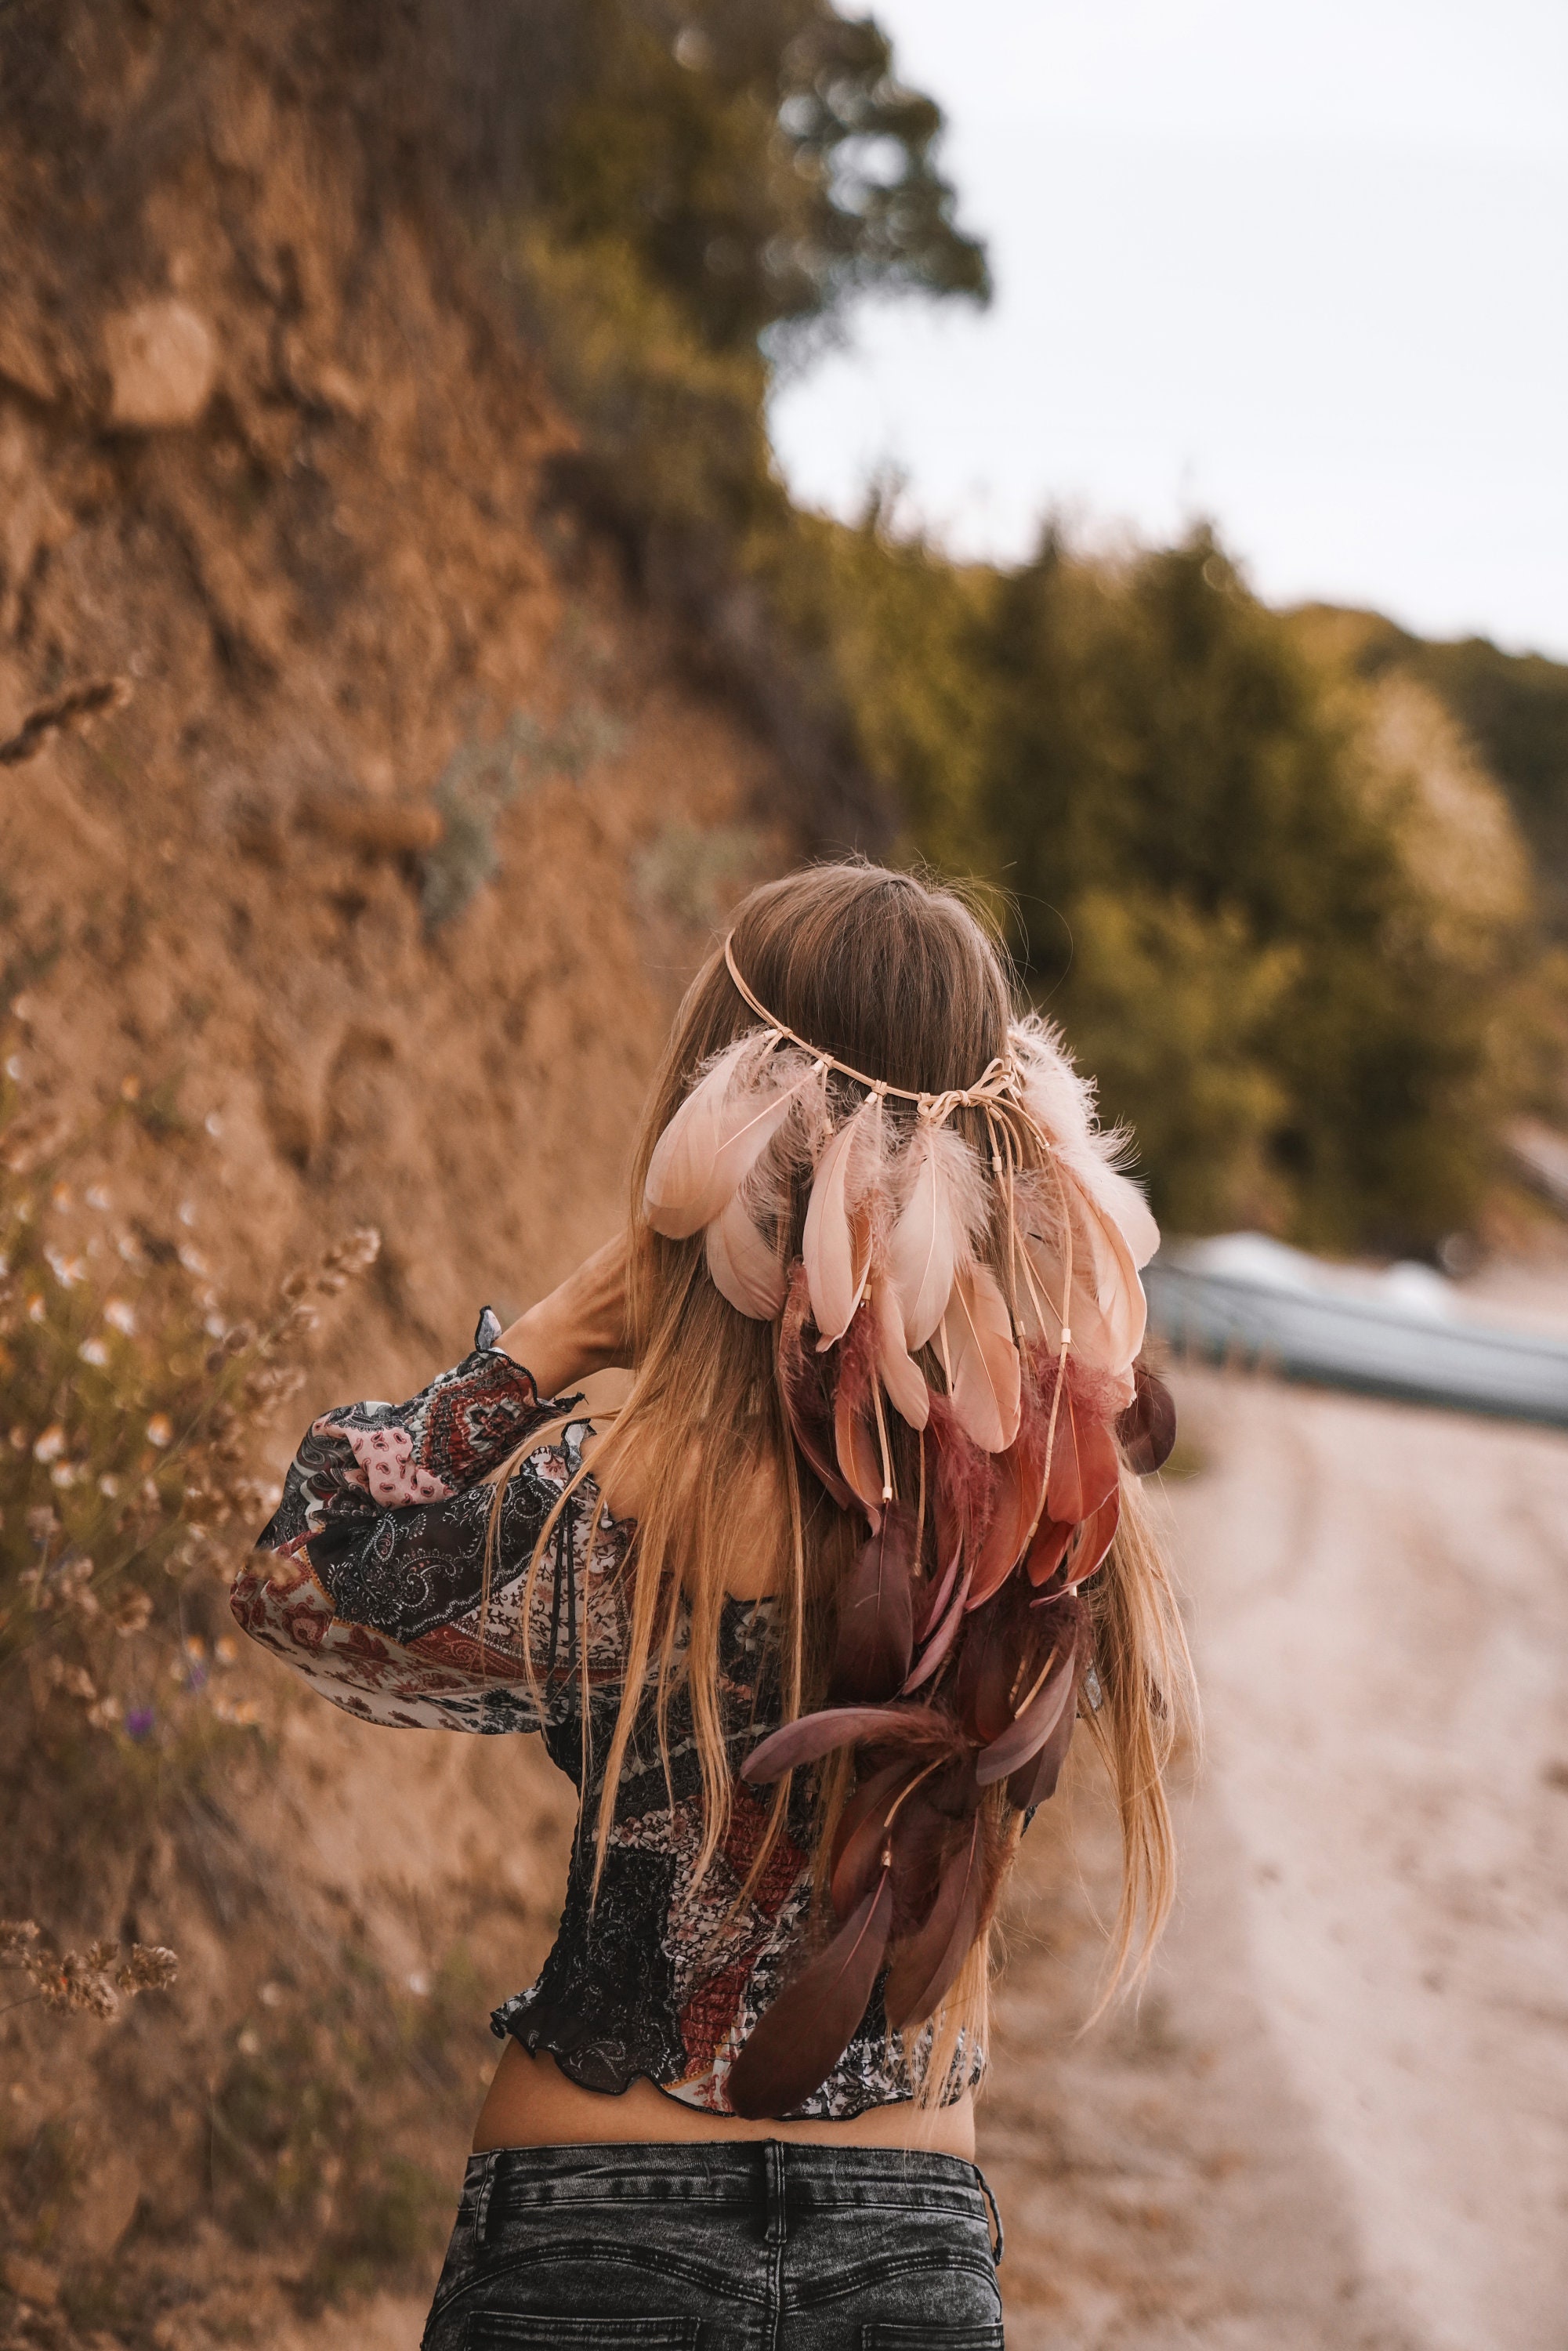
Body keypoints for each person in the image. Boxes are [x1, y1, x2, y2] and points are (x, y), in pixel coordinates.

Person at [233, 861, 1193, 2348]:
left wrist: (546, 1339)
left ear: (722, 1131)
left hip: (589, 2239)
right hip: (909, 2260)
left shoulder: (619, 1519)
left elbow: (301, 1573)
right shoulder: (1052, 1536)